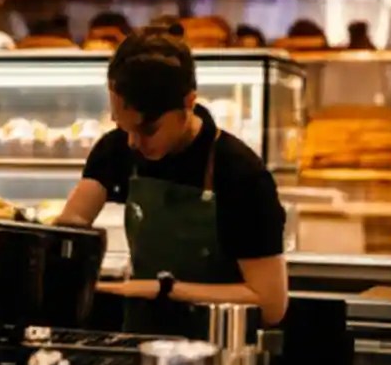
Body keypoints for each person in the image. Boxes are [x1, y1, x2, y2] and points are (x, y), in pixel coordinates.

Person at [55, 24, 289, 332]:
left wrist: (162, 290)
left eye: (147, 129)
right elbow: (71, 226)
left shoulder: (240, 173)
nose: (133, 143)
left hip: (219, 350)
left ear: (188, 102)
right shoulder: (116, 149)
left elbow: (271, 303)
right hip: (139, 344)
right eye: (123, 125)